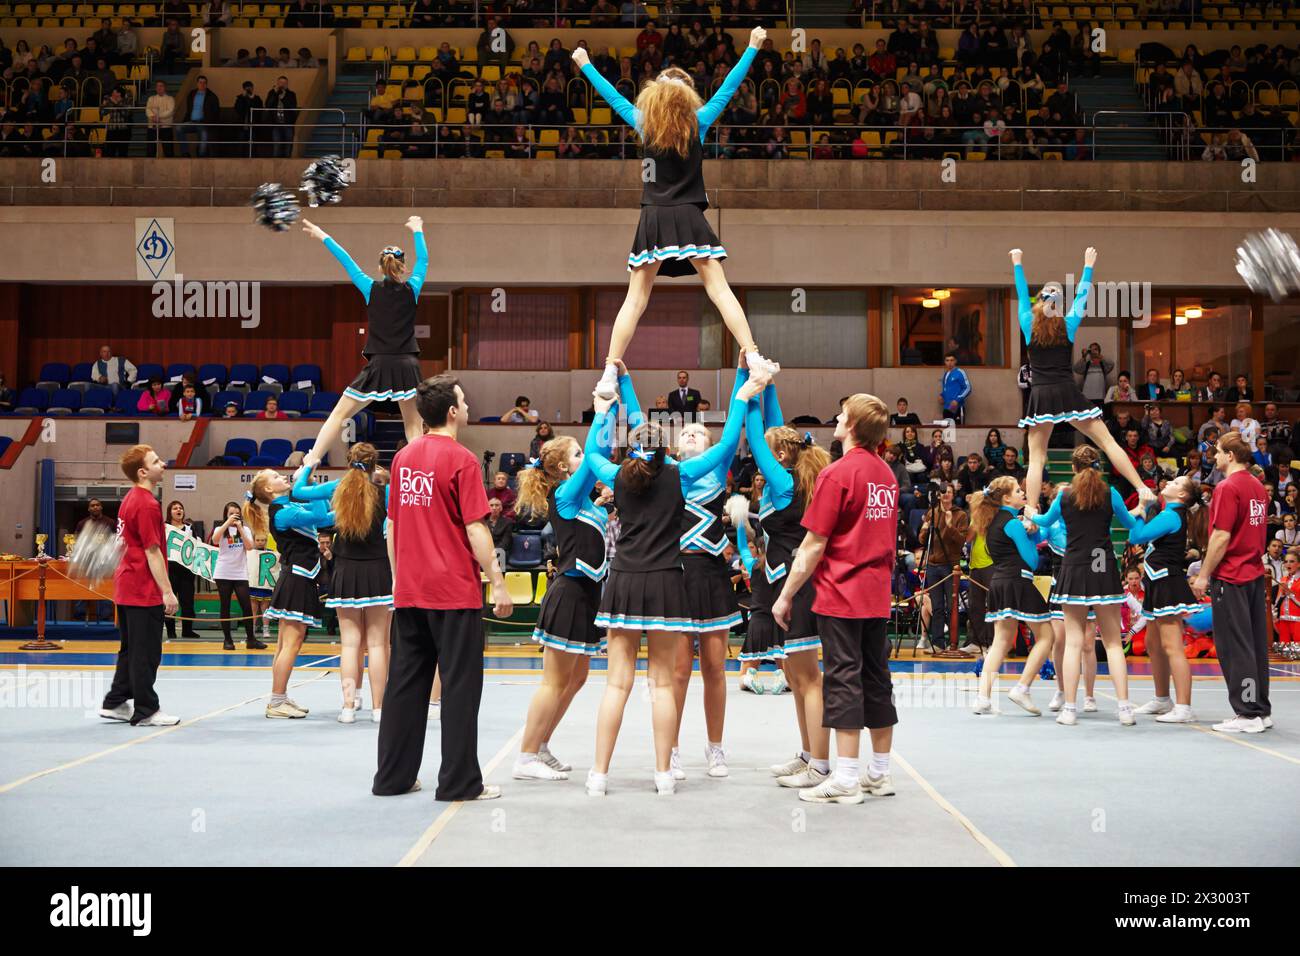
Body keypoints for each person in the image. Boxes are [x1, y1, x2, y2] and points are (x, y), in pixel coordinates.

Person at [581, 363, 763, 796]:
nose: (694, 436)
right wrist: (742, 390)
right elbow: (728, 437)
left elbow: (593, 454)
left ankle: (598, 775)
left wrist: (605, 407)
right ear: (671, 449)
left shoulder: (623, 475)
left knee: (619, 682)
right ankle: (665, 770)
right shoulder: (680, 476)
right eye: (686, 436)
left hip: (631, 581)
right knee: (668, 680)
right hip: (668, 581)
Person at [576, 27, 779, 403]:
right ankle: (753, 357)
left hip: (653, 215)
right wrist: (751, 48)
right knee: (719, 289)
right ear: (688, 94)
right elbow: (729, 88)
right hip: (687, 214)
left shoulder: (642, 121)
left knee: (635, 300)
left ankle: (608, 371)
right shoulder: (697, 121)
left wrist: (586, 64)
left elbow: (611, 95)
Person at [373, 375, 510, 801]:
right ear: (452, 412)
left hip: (411, 592)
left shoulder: (403, 458)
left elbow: (392, 527)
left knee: (404, 687)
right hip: (453, 593)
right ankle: (458, 782)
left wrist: (398, 579)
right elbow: (475, 527)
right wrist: (499, 582)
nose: (468, 406)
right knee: (460, 690)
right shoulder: (463, 460)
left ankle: (392, 778)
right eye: (464, 401)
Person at [770, 393, 899, 805]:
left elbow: (811, 547)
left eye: (842, 415)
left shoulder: (837, 474)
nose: (837, 419)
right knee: (877, 680)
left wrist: (785, 596)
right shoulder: (888, 477)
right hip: (877, 594)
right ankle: (878, 773)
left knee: (843, 680)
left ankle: (845, 778)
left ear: (854, 428)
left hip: (841, 594)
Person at [510, 392, 620, 781]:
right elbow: (596, 454)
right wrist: (604, 410)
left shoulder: (585, 501)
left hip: (589, 595)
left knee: (577, 678)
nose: (583, 459)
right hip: (569, 593)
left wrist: (606, 503)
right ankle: (524, 756)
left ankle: (540, 744)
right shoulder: (563, 494)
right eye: (575, 456)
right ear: (560, 466)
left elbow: (590, 521)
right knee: (555, 680)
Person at [734, 376, 833, 787]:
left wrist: (747, 388)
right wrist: (769, 385)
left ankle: (821, 766)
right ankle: (808, 753)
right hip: (783, 582)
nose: (759, 459)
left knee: (808, 677)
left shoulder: (785, 483)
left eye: (767, 454)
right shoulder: (789, 474)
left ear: (779, 456)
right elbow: (777, 431)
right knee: (795, 676)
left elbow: (758, 437)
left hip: (800, 584)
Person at [1011, 246, 1154, 518]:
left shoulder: (1028, 322)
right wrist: (1088, 266)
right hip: (1067, 392)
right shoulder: (1068, 323)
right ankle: (1142, 488)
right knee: (1109, 442)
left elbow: (1020, 294)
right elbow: (1082, 296)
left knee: (1037, 457)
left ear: (1039, 303)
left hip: (1041, 396)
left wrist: (1017, 263)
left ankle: (1030, 510)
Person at [299, 215, 428, 469]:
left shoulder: (370, 288)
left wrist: (322, 235)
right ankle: (419, 473)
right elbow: (423, 260)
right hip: (407, 365)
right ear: (403, 267)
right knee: (413, 425)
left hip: (379, 364)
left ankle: (311, 461)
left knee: (339, 414)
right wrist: (417, 230)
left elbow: (346, 260)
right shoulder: (413, 287)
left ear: (381, 268)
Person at [1030, 446, 1138, 726]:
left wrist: (1030, 511)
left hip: (1074, 566)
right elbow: (1129, 524)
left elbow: (1044, 521)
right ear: (1098, 466)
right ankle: (1125, 709)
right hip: (1103, 567)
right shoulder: (1111, 492)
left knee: (1073, 643)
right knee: (1113, 643)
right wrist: (1142, 508)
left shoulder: (1065, 495)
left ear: (1074, 468)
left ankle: (1069, 709)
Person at [1191, 431, 1273, 734]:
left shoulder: (1227, 487)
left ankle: (1247, 712)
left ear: (1231, 456)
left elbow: (1222, 536)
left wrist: (1203, 575)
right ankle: (1260, 709)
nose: (1215, 457)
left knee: (1235, 646)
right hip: (1253, 572)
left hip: (1232, 575)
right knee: (1253, 644)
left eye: (1219, 452)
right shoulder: (1257, 487)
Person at [98, 445, 180, 727]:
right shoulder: (146, 503)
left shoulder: (129, 499)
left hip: (127, 586)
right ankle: (146, 710)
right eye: (157, 461)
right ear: (143, 472)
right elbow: (152, 551)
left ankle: (115, 701)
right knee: (145, 653)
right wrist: (167, 591)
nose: (163, 464)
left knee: (131, 650)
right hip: (142, 588)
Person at [244, 470, 334, 718]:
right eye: (275, 477)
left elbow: (324, 517)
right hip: (297, 580)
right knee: (292, 645)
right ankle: (276, 702)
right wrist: (313, 486)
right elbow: (319, 515)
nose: (282, 476)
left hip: (296, 578)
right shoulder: (283, 512)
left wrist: (313, 486)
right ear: (269, 490)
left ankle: (279, 697)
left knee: (284, 644)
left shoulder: (288, 507)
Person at [971, 476, 1057, 715]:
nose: (1023, 493)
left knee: (1000, 642)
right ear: (1006, 497)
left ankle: (983, 698)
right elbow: (1031, 559)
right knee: (1046, 636)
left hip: (999, 582)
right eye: (1018, 490)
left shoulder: (994, 522)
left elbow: (1027, 541)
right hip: (1018, 581)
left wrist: (1033, 530)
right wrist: (1029, 529)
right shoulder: (1012, 523)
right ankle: (1022, 687)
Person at [1128, 476, 1201, 724]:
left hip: (1168, 583)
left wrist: (1142, 508)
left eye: (1176, 482)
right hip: (1156, 582)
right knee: (1153, 644)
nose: (1169, 482)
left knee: (1172, 646)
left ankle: (1184, 707)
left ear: (1182, 496)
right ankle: (1162, 699)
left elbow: (1137, 537)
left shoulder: (1171, 514)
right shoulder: (1169, 512)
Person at [919, 481, 969, 652]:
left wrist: (949, 526)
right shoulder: (931, 512)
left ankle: (953, 642)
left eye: (949, 492)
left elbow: (962, 540)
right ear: (938, 494)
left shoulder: (960, 515)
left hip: (951, 565)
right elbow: (922, 540)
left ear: (953, 495)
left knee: (952, 606)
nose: (946, 494)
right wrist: (925, 528)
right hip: (933, 564)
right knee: (937, 606)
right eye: (943, 492)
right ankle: (938, 643)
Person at [210, 501, 264, 650]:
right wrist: (227, 523)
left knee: (246, 606)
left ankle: (251, 639)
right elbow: (214, 540)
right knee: (225, 605)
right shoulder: (220, 529)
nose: (235, 515)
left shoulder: (245, 529)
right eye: (231, 513)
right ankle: (227, 640)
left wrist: (240, 528)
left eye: (237, 513)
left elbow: (249, 547)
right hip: (223, 572)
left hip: (240, 573)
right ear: (226, 515)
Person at [162, 501, 199, 640]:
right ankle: (171, 631)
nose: (179, 510)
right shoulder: (164, 528)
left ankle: (187, 630)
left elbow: (195, 546)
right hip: (170, 571)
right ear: (169, 512)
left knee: (188, 602)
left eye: (181, 508)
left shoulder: (190, 528)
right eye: (175, 508)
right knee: (170, 602)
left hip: (187, 572)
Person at [939, 351, 970, 423]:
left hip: (958, 408)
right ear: (944, 362)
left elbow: (968, 388)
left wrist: (957, 400)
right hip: (947, 409)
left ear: (955, 361)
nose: (949, 363)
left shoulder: (960, 372)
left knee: (959, 431)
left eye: (951, 360)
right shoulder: (946, 374)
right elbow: (946, 389)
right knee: (947, 432)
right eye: (947, 360)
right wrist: (941, 395)